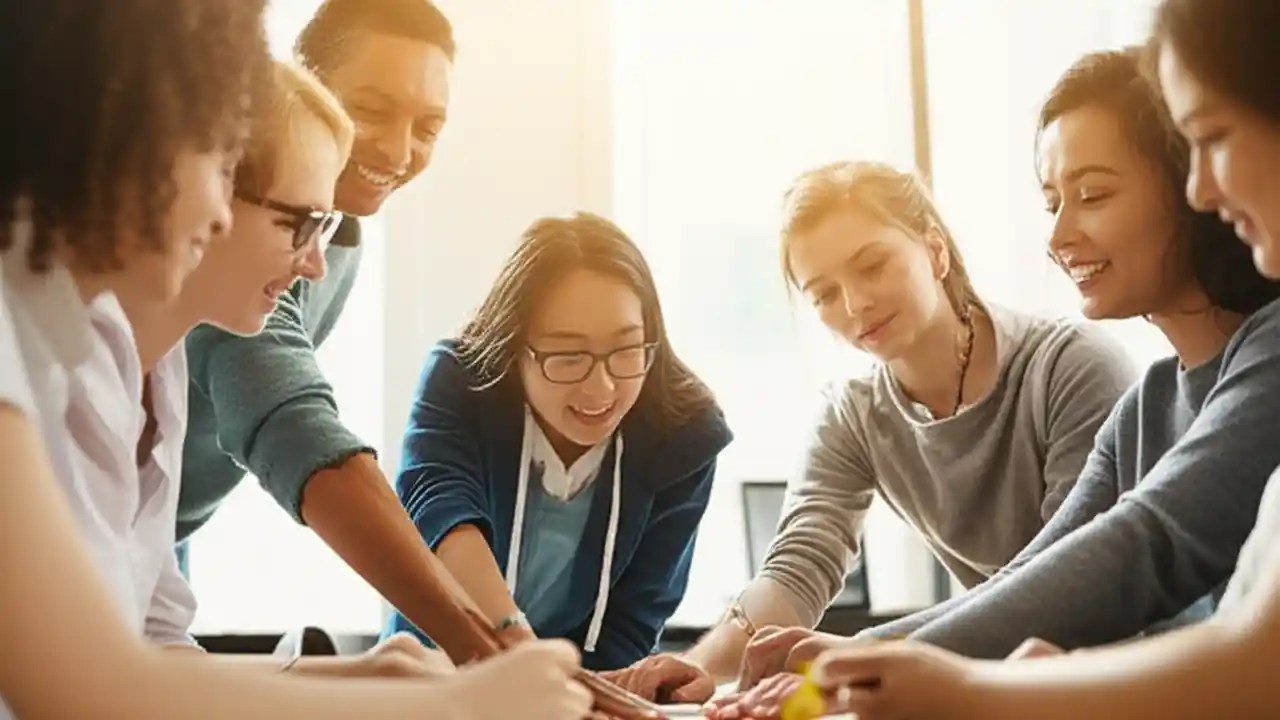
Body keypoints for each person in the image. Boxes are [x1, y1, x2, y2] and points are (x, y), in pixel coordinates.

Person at [0, 1, 591, 718]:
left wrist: (352, 680)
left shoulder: (136, 366)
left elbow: (149, 647)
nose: (218, 211)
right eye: (216, 158)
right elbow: (86, 685)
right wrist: (463, 694)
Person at [808, 3, 1280, 718]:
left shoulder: (1267, 353)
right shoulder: (1145, 407)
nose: (1059, 235)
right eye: (1052, 200)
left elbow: (1139, 550)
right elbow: (1035, 573)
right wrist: (857, 656)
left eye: (1092, 195)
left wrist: (882, 671)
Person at [608, 160, 1137, 703]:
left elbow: (1066, 581)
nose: (855, 304)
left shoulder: (1071, 368)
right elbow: (798, 566)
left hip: (1132, 676)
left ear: (935, 250)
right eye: (824, 294)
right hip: (1009, 678)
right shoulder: (853, 416)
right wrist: (699, 670)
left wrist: (856, 655)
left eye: (873, 265)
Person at [175, 0, 503, 661]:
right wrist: (481, 645)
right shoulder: (231, 232)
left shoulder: (336, 235)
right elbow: (296, 430)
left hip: (154, 531)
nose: (398, 148)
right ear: (301, 85)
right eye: (373, 110)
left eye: (428, 126)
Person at [385, 212, 733, 669]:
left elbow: (635, 618)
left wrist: (581, 697)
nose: (601, 389)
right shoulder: (460, 381)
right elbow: (439, 512)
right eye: (568, 356)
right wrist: (517, 646)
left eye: (627, 350)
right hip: (435, 673)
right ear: (515, 345)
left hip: (575, 687)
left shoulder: (686, 431)